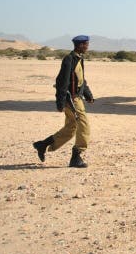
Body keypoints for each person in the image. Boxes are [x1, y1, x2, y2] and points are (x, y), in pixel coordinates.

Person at [32, 35, 95, 168]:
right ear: (79, 45)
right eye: (86, 44)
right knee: (84, 126)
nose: (87, 46)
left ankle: (43, 144)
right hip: (71, 99)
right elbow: (62, 81)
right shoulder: (69, 59)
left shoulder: (79, 59)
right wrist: (60, 101)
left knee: (71, 128)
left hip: (77, 98)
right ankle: (76, 157)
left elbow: (81, 79)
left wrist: (88, 94)